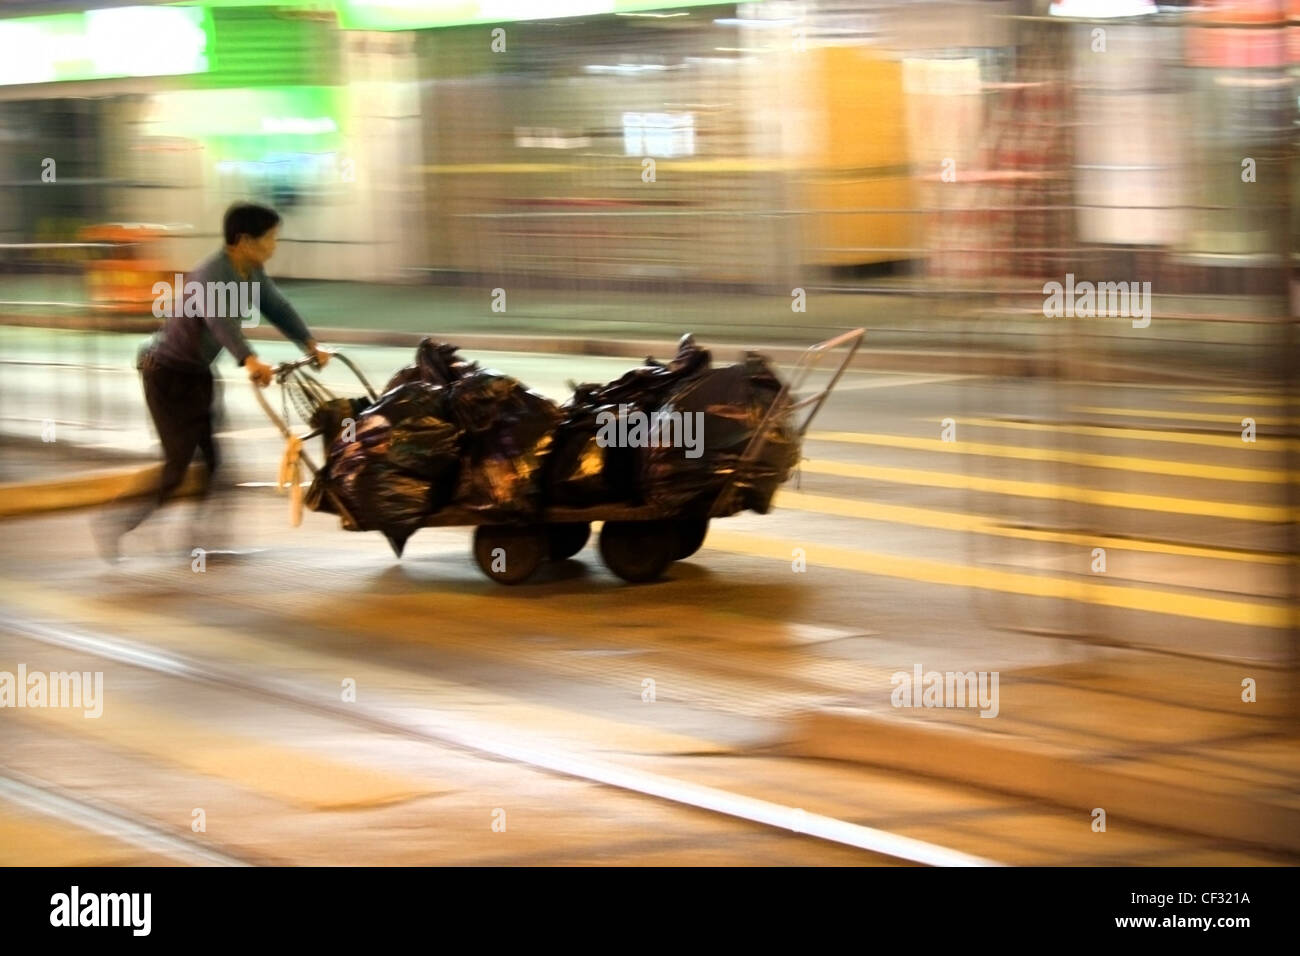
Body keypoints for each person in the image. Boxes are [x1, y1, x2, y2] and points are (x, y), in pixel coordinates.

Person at [95, 202, 330, 560]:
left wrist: (309, 343)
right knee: (177, 466)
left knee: (215, 461)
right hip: (165, 374)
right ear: (244, 240)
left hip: (198, 373)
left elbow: (277, 306)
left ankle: (199, 539)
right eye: (270, 238)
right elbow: (220, 322)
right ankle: (118, 521)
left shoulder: (251, 272)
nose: (274, 246)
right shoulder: (211, 274)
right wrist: (249, 359)